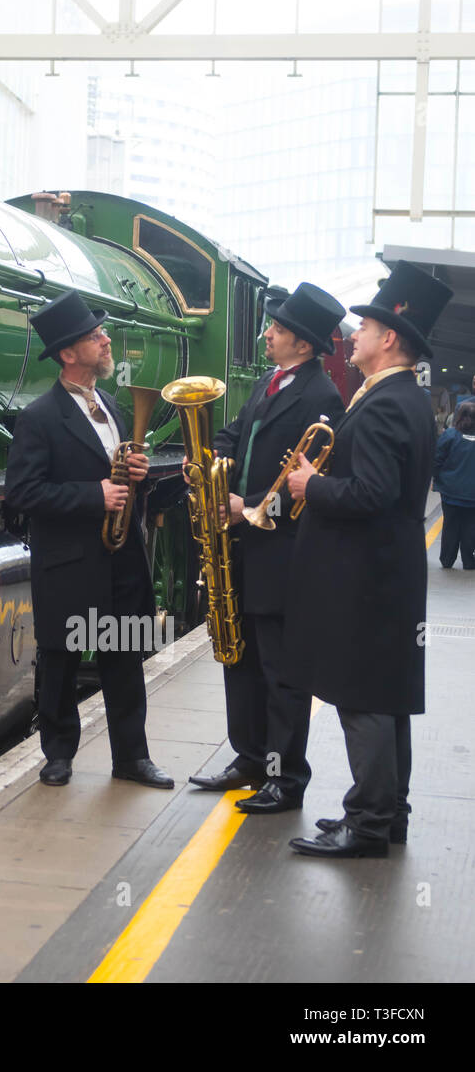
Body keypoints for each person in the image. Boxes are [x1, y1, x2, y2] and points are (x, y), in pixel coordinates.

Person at [284, 260, 453, 858]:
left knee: (362, 698)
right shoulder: (401, 396)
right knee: (385, 696)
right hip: (387, 574)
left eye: (365, 326)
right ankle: (386, 813)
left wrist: (310, 486)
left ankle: (369, 824)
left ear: (390, 340)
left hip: (367, 577)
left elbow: (372, 494)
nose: (352, 334)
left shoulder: (384, 404)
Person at [187, 284, 346, 815]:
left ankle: (286, 778)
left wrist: (246, 506)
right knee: (240, 657)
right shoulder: (269, 382)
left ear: (302, 343)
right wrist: (209, 462)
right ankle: (249, 757)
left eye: (275, 329)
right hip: (245, 547)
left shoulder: (322, 397)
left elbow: (310, 481)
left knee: (282, 672)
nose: (266, 335)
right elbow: (235, 435)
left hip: (283, 552)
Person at [5, 291, 173, 790]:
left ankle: (132, 758)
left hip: (120, 561)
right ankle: (58, 755)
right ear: (68, 354)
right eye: (94, 336)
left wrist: (135, 477)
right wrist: (92, 495)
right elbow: (22, 493)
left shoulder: (116, 409)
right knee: (59, 659)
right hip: (70, 563)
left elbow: (119, 482)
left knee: (124, 661)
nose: (106, 341)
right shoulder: (39, 418)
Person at [434, 400, 475, 569]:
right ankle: (468, 560)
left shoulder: (450, 435)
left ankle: (447, 559)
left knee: (450, 525)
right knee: (470, 526)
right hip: (472, 494)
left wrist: (436, 480)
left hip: (450, 492)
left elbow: (437, 460)